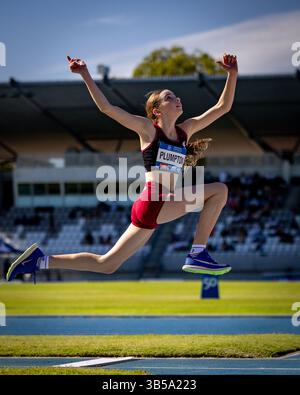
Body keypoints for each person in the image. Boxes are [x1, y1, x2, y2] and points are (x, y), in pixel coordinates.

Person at [6, 53, 238, 283]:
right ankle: (197, 253)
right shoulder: (148, 129)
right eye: (170, 97)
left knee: (107, 264)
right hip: (154, 200)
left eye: (176, 96)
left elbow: (222, 107)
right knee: (220, 190)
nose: (177, 99)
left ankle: (39, 260)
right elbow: (107, 108)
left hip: (152, 207)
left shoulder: (186, 130)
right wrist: (85, 74)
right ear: (157, 111)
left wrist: (232, 74)